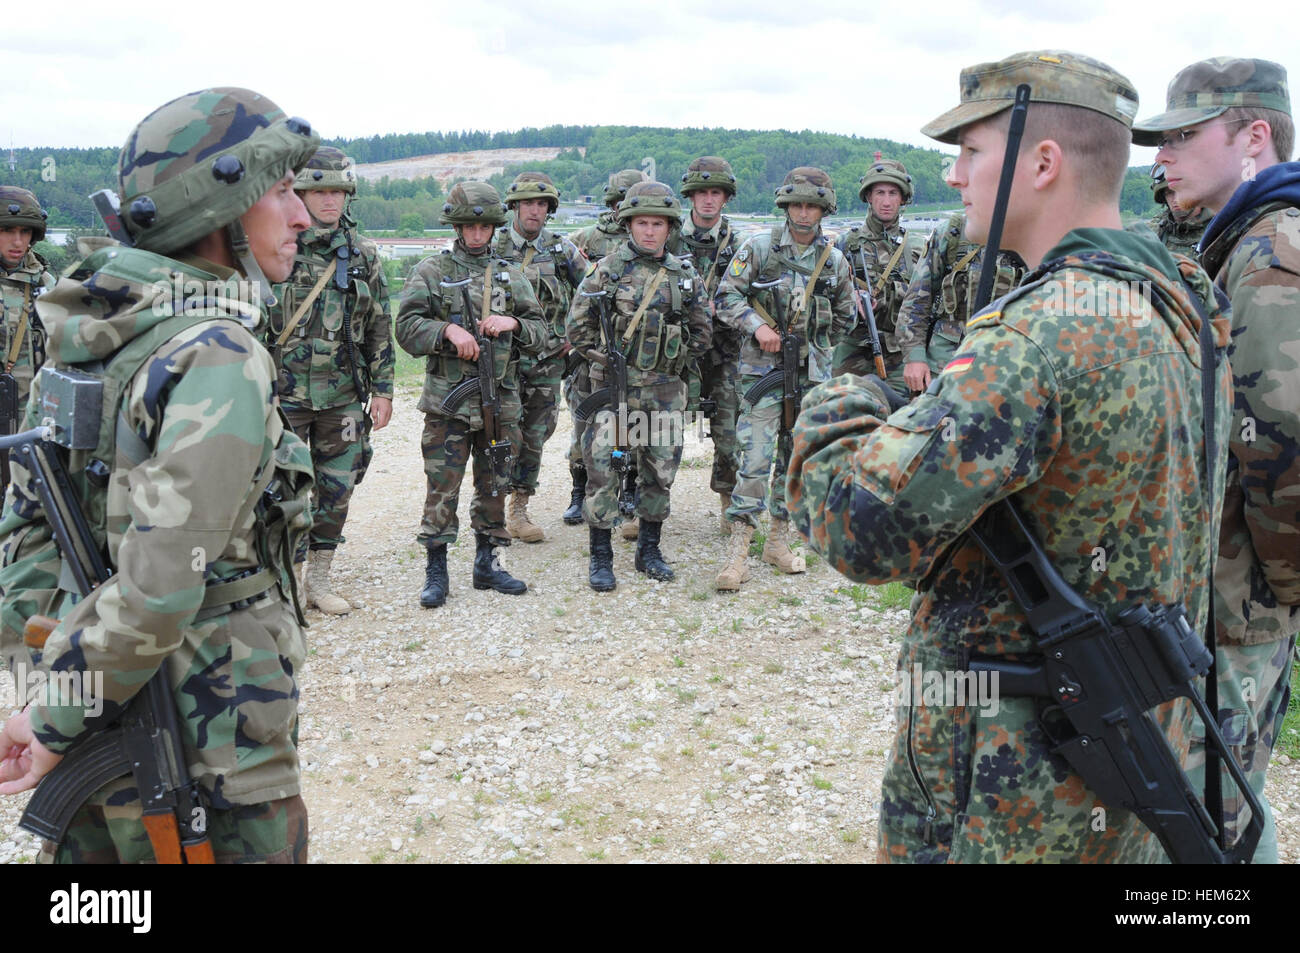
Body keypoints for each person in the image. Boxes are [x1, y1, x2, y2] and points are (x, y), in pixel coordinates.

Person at [788, 51, 1232, 863]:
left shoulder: (1035, 334)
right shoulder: (1182, 300)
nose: (955, 176)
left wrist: (839, 402)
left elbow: (860, 530)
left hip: (1011, 782)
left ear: (1042, 162)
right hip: (1128, 753)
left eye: (971, 151)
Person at [0, 87, 319, 863]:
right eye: (280, 189)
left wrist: (44, 697)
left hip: (88, 712)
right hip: (204, 736)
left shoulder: (92, 330)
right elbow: (163, 582)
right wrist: (48, 720)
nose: (303, 214)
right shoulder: (218, 353)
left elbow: (25, 552)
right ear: (219, 205)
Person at [1134, 56, 1300, 864]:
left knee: (1210, 817)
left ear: (1253, 138)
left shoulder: (1271, 255)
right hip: (1232, 593)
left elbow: (1281, 447)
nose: (1162, 156)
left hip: (1240, 603)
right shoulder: (1244, 240)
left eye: (1184, 136)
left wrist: (1269, 601)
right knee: (1225, 805)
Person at [394, 181, 546, 609]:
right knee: (442, 487)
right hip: (449, 403)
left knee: (495, 483)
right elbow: (406, 328)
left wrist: (513, 323)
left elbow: (540, 332)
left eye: (483, 227)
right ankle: (436, 571)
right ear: (456, 227)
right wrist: (446, 330)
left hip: (501, 402)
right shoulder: (432, 271)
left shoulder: (510, 273)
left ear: (494, 227)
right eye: (468, 227)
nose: (476, 235)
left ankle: (489, 564)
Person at [266, 146, 394, 615]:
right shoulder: (276, 245)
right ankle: (286, 583)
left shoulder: (363, 255)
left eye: (338, 192)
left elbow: (380, 326)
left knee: (337, 490)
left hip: (342, 397)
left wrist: (383, 390)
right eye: (320, 191)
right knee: (284, 492)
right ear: (300, 194)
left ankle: (319, 580)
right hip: (284, 396)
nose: (329, 201)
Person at [566, 180, 710, 591]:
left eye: (658, 224)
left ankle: (649, 550)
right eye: (642, 223)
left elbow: (703, 334)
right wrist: (606, 362)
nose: (649, 231)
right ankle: (601, 556)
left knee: (658, 471)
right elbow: (577, 330)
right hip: (613, 389)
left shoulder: (685, 276)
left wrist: (670, 359)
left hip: (664, 391)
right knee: (605, 471)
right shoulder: (607, 271)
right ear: (629, 224)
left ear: (670, 228)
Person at [715, 167, 854, 590]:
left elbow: (845, 318)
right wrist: (757, 327)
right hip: (763, 371)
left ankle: (778, 540)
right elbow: (725, 295)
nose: (804, 213)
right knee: (755, 458)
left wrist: (816, 346)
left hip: (810, 376)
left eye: (812, 205)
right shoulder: (758, 248)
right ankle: (738, 551)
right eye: (797, 204)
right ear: (786, 205)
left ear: (824, 209)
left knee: (795, 460)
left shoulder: (834, 261)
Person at [493, 172, 587, 543]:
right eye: (529, 203)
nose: (535, 211)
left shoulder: (561, 250)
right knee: (503, 432)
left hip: (547, 360)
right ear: (514, 206)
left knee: (536, 433)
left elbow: (593, 292)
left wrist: (574, 337)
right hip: (502, 360)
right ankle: (492, 507)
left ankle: (519, 508)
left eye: (542, 204)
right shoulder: (493, 245)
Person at [567, 169, 649, 539]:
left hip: (635, 355)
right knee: (587, 428)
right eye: (618, 203)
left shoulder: (653, 237)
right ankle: (579, 491)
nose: (622, 210)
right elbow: (574, 289)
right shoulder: (586, 239)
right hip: (595, 354)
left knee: (633, 430)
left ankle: (629, 491)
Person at [670, 156, 745, 534]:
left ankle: (729, 505)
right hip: (675, 351)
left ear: (726, 197)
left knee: (729, 432)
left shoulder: (743, 246)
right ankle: (641, 503)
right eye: (701, 193)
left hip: (725, 350)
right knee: (655, 427)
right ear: (690, 196)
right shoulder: (668, 238)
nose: (708, 200)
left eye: (716, 192)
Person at [894, 211, 1025, 394]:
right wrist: (915, 357)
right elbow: (917, 299)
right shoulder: (952, 233)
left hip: (1007, 362)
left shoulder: (1029, 234)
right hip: (946, 361)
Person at [832, 155, 929, 394]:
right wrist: (850, 297)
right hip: (853, 348)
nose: (886, 202)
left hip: (900, 352)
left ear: (903, 198)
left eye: (893, 194)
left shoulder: (918, 247)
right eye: (880, 193)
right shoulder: (846, 243)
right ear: (868, 196)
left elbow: (928, 301)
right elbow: (826, 293)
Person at [0, 188, 55, 439]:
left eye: (25, 232)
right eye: (8, 231)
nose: (18, 242)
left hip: (32, 419)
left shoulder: (45, 284)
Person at [1147, 163, 1212, 256]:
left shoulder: (1218, 230)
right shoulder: (1154, 230)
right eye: (1169, 193)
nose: (1175, 199)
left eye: (1181, 190)